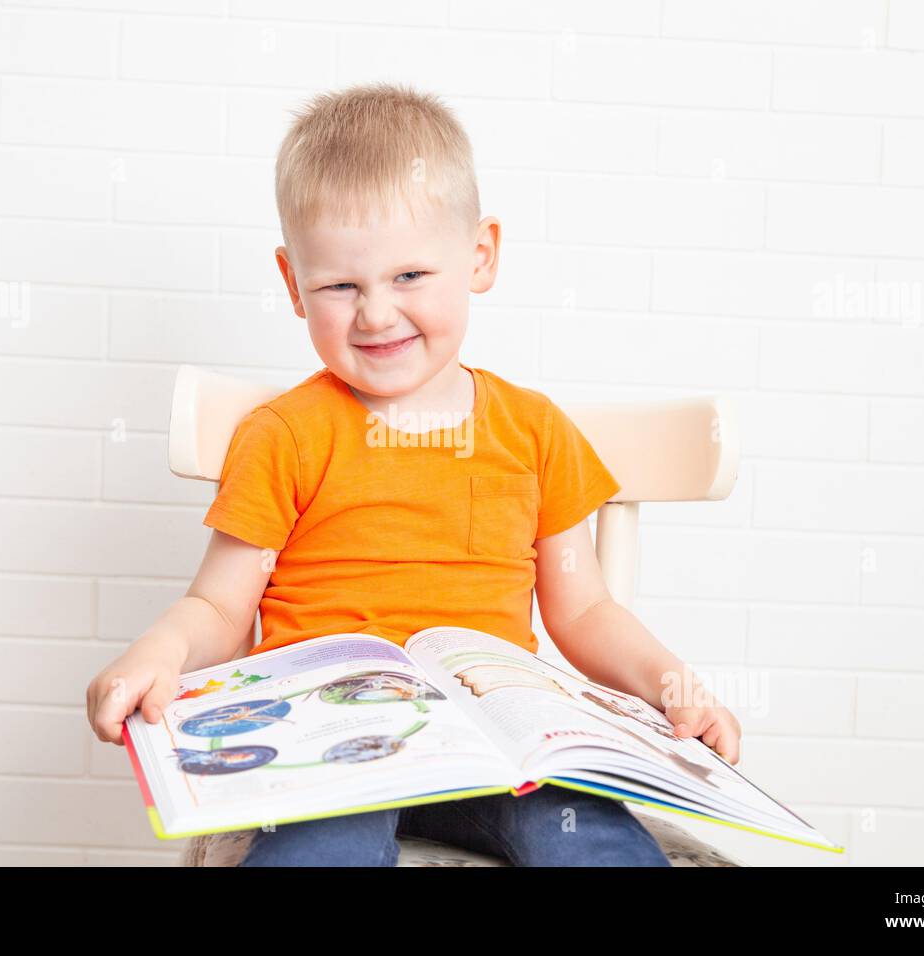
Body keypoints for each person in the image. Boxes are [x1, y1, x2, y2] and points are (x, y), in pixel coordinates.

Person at [87, 81, 741, 866]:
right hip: (334, 746)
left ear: (479, 255)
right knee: (321, 851)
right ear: (294, 283)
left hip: (498, 748)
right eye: (340, 285)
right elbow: (220, 605)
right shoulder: (286, 436)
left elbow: (587, 610)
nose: (375, 314)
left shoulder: (531, 431)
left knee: (594, 838)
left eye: (408, 277)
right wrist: (160, 651)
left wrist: (671, 681)